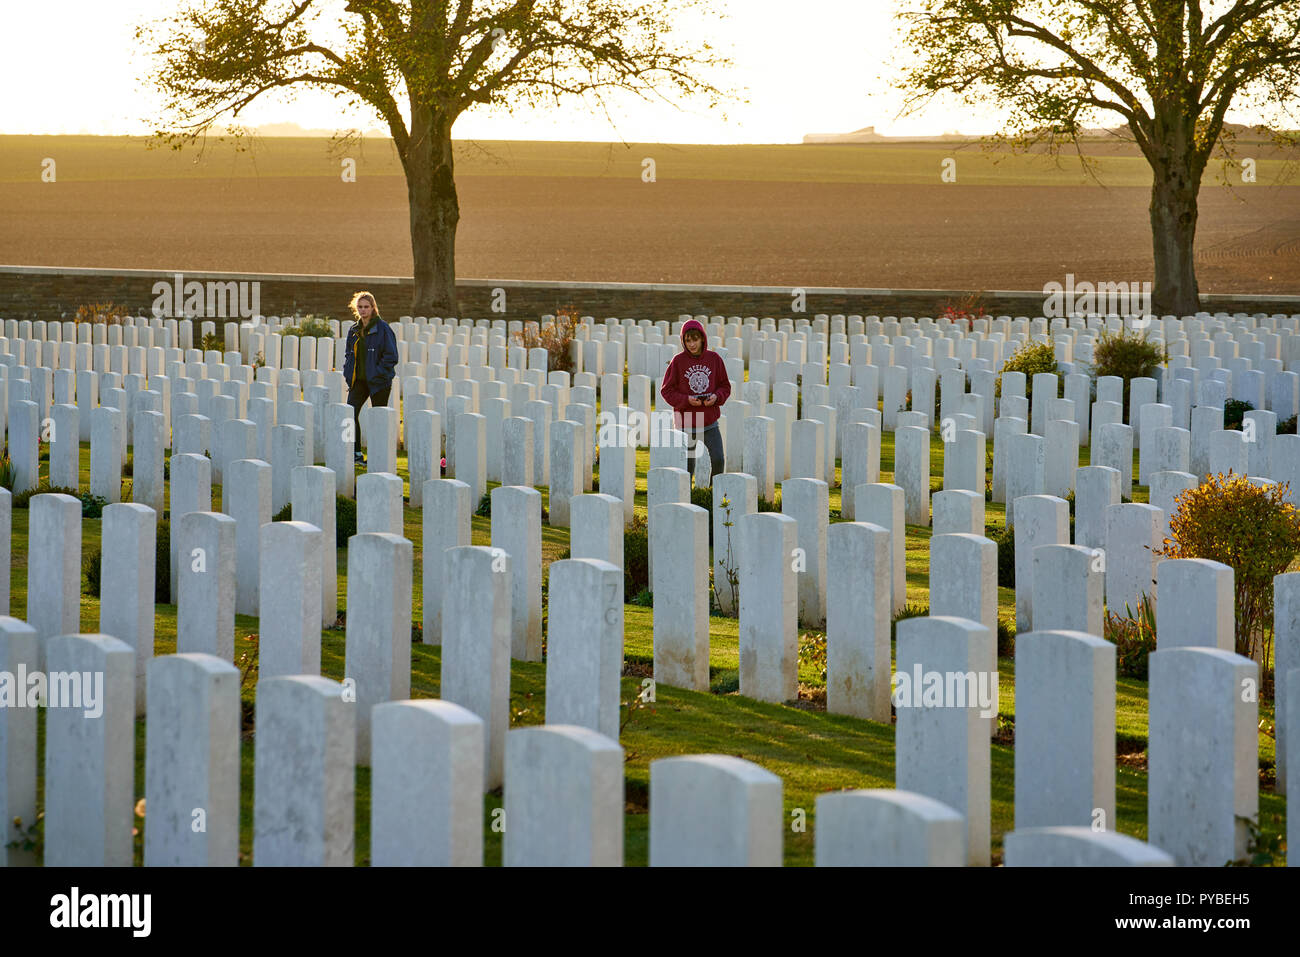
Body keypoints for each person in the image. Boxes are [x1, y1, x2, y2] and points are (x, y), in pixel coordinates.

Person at [659, 318, 730, 482]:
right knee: (688, 466)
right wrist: (686, 400)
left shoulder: (714, 359)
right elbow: (667, 391)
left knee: (718, 460)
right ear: (683, 341)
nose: (692, 344)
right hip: (687, 422)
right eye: (687, 340)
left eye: (695, 339)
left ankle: (714, 497)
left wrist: (716, 397)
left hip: (709, 421)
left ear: (703, 338)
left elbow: (725, 386)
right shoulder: (678, 361)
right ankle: (686, 500)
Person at [342, 291, 398, 465]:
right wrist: (347, 372)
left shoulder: (383, 329)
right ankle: (354, 452)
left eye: (366, 307)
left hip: (379, 381)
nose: (363, 310)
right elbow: (348, 354)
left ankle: (378, 454)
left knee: (378, 418)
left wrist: (378, 373)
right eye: (360, 307)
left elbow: (391, 356)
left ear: (373, 308)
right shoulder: (353, 330)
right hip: (358, 381)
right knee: (349, 414)